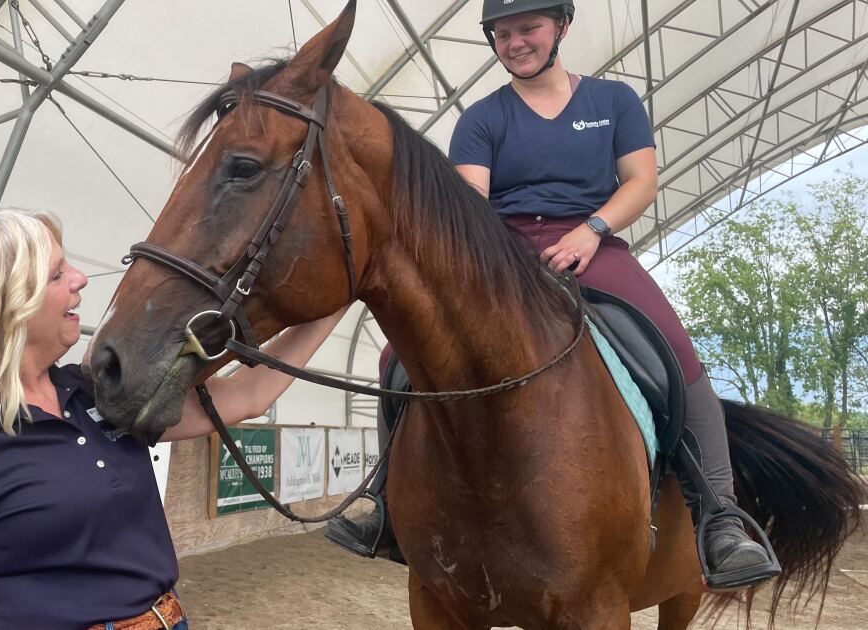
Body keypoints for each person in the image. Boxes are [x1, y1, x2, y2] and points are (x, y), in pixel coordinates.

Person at [327, 0, 777, 590]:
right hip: (503, 251)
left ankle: (719, 514)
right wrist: (496, 258)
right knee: (397, 357)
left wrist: (592, 231)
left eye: (528, 29)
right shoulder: (483, 118)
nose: (515, 43)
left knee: (674, 345)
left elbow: (641, 182)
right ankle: (384, 503)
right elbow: (469, 204)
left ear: (561, 27)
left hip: (594, 243)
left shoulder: (613, 102)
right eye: (503, 33)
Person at [0, 209, 346, 630]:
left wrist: (341, 296)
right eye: (55, 274)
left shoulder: (95, 390)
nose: (80, 278)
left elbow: (249, 394)